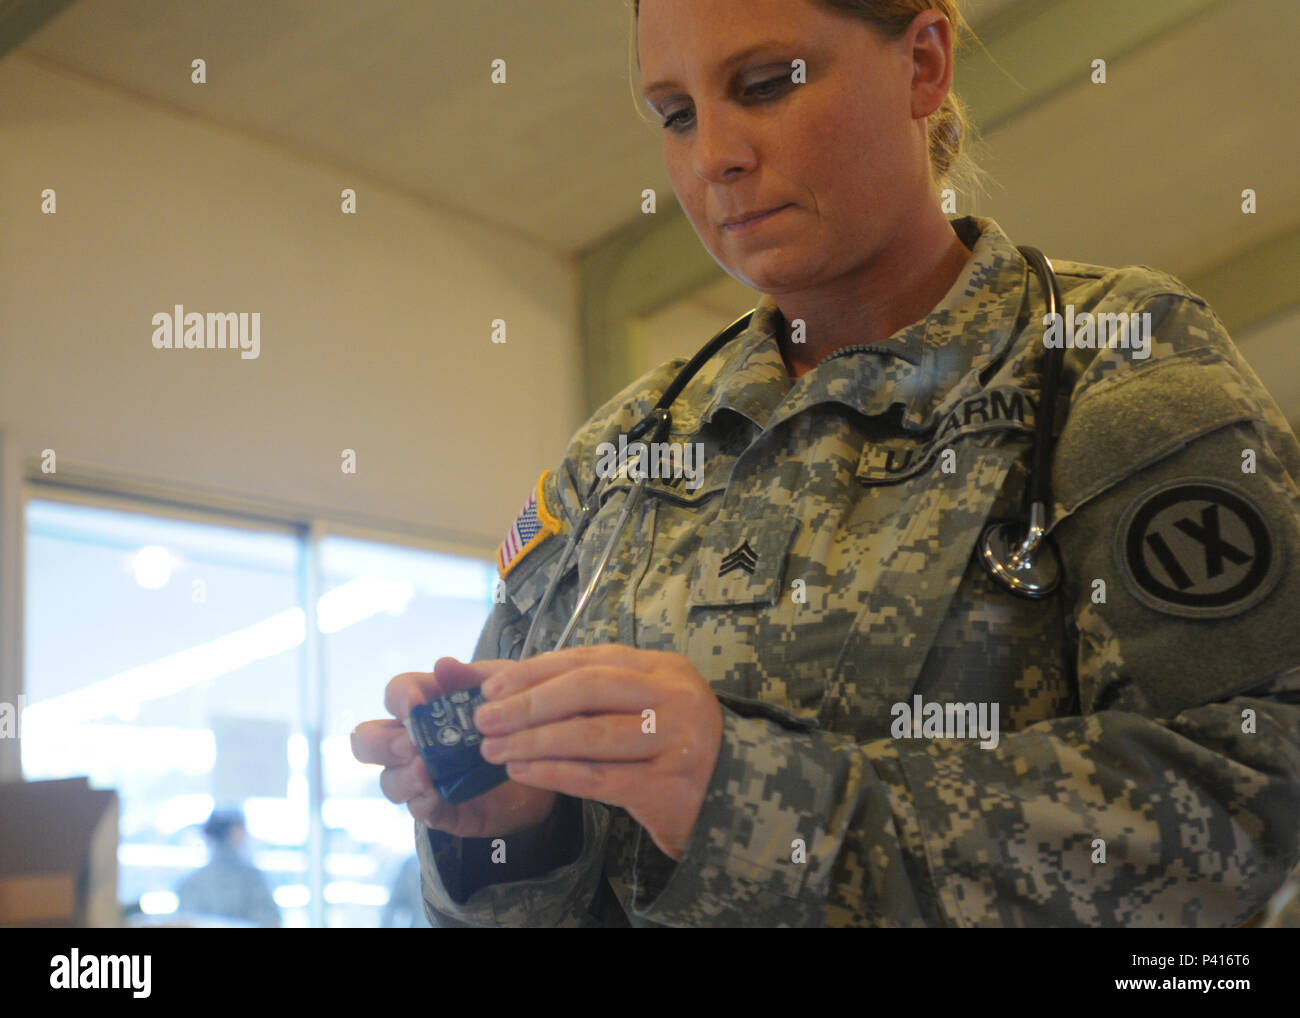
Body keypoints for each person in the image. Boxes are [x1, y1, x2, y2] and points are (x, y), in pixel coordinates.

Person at [351, 0, 1300, 926]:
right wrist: (512, 836)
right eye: (675, 116)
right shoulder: (621, 453)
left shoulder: (1106, 362)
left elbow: (1265, 787)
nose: (713, 154)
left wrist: (753, 801)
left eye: (766, 85)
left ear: (924, 62)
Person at [175, 808, 281, 927]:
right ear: (235, 832)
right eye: (242, 830)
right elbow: (271, 921)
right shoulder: (252, 878)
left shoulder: (190, 882)